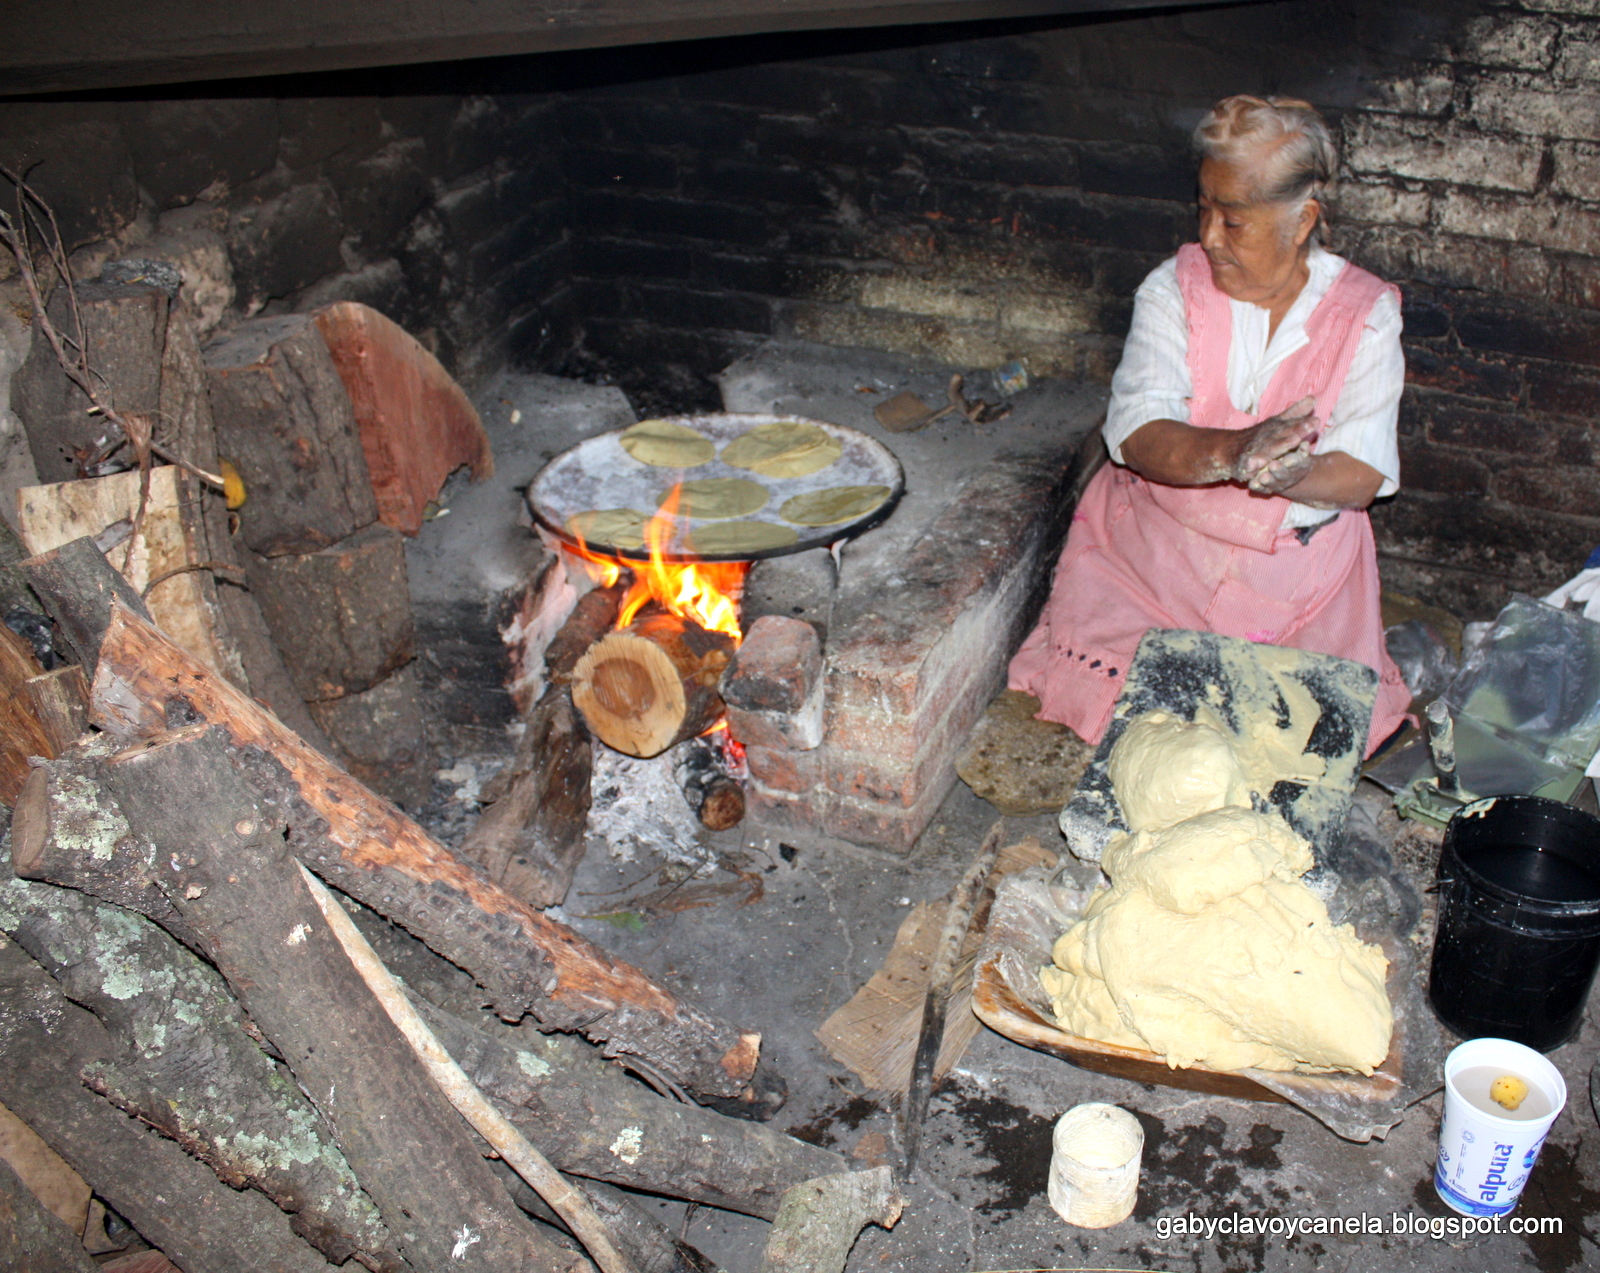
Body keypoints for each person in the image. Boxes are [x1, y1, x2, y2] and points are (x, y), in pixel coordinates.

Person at [1009, 94, 1411, 755]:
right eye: (1202, 208)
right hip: (1153, 563)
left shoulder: (1364, 315)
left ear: (1303, 219)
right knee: (1152, 729)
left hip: (1294, 589)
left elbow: (1364, 473)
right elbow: (1137, 432)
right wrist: (1236, 450)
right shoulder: (1173, 289)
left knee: (1286, 741)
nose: (1209, 238)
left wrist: (1296, 473)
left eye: (1234, 221)